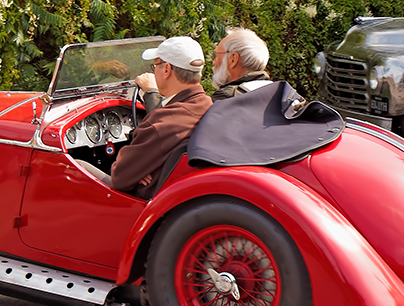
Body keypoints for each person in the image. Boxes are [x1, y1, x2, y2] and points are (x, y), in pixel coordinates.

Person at [79, 36, 213, 198]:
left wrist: (134, 169)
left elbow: (120, 177)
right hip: (175, 193)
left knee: (78, 166)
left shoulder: (163, 122)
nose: (153, 71)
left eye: (155, 65)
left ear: (166, 70)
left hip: (142, 201)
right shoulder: (208, 106)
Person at [137, 27, 271, 107]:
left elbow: (176, 134)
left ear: (233, 59)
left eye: (216, 55)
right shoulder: (273, 91)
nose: (213, 62)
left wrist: (151, 92)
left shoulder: (228, 98)